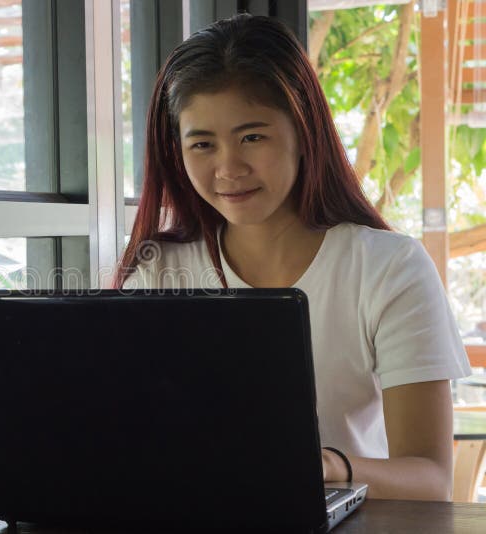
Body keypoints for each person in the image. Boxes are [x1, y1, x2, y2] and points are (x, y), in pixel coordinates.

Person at [115, 14, 471, 501]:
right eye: (202, 144)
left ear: (304, 133)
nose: (229, 168)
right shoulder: (158, 270)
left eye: (252, 137)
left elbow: (432, 480)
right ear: (177, 152)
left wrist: (325, 466)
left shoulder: (389, 268)